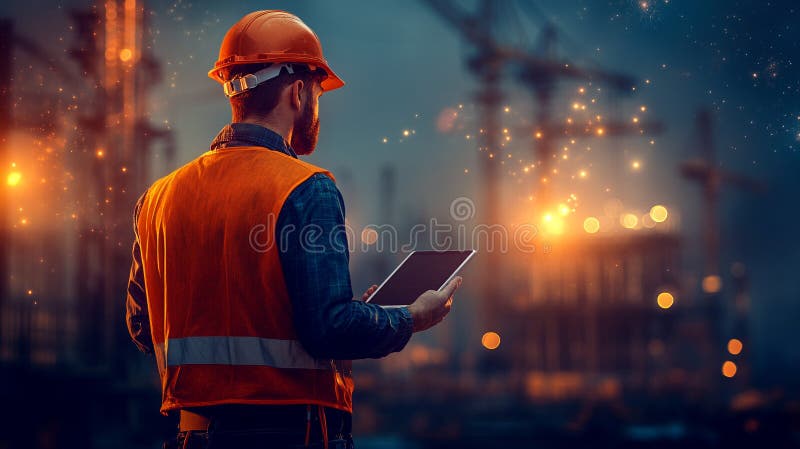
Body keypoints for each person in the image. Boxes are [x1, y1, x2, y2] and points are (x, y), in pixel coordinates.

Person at [125, 10, 462, 449]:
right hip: (289, 433)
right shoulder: (307, 189)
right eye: (319, 93)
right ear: (299, 92)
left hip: (193, 435)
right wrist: (411, 318)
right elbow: (329, 328)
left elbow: (142, 329)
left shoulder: (158, 198)